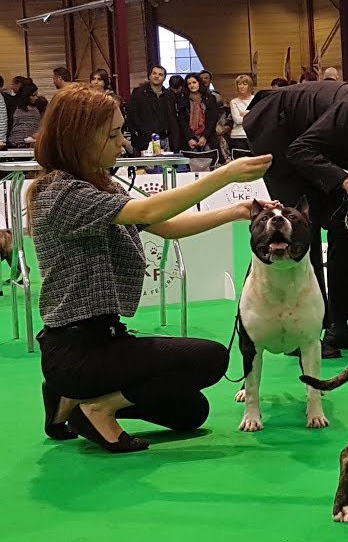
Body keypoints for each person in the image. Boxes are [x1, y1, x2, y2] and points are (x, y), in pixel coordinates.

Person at [32, 85, 273, 453]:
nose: (123, 144)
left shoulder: (98, 184)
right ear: (79, 137)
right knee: (210, 359)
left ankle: (67, 399)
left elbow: (166, 226)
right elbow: (148, 212)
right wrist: (225, 176)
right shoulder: (61, 193)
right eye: (112, 134)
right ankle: (98, 407)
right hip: (76, 350)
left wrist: (237, 212)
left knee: (192, 412)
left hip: (108, 340)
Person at [242, 79, 348, 358]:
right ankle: (301, 334)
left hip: (311, 142)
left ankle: (339, 322)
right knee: (299, 229)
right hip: (276, 129)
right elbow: (300, 151)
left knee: (344, 225)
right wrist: (346, 182)